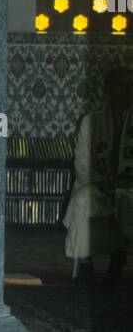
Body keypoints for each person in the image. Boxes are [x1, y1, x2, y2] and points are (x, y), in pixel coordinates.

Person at [63, 66, 133, 284]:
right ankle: (85, 263)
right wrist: (101, 183)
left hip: (128, 186)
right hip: (97, 185)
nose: (127, 91)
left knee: (124, 199)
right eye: (122, 86)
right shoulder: (91, 122)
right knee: (83, 200)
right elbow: (82, 162)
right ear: (109, 90)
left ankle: (117, 260)